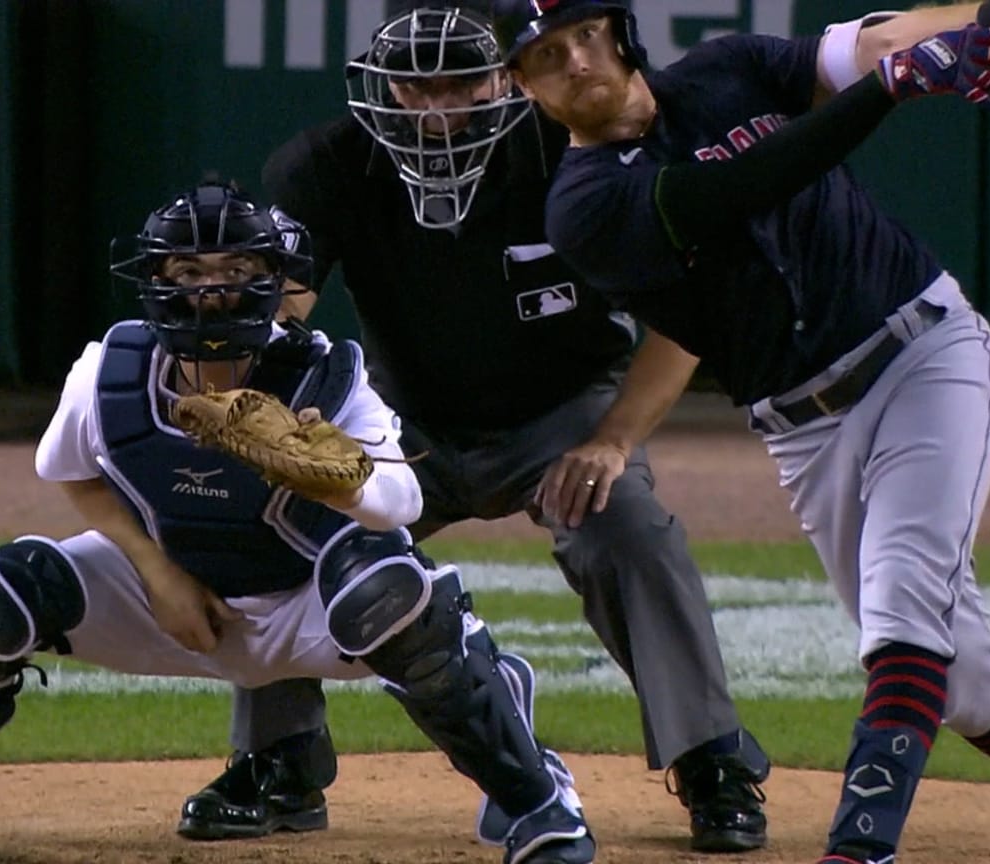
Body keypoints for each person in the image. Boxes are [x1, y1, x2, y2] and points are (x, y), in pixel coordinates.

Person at [0, 180, 596, 864]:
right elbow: (66, 472)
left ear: (274, 280)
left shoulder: (326, 372)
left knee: (391, 592)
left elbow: (402, 509)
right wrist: (159, 574)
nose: (211, 291)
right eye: (188, 272)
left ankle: (533, 792)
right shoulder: (109, 368)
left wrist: (331, 474)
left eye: (237, 271)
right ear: (155, 282)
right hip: (173, 602)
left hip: (302, 608)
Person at [175, 2, 772, 855]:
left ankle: (712, 759)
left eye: (461, 81)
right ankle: (280, 759)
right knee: (277, 522)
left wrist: (611, 440)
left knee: (628, 531)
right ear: (382, 89)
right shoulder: (328, 165)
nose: (437, 108)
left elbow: (685, 320)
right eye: (417, 86)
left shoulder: (575, 150)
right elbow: (288, 312)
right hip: (403, 418)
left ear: (510, 80)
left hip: (564, 410)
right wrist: (249, 369)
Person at [495, 0, 990, 861]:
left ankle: (857, 849)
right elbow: (737, 189)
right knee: (963, 685)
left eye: (585, 33)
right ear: (521, 86)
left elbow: (873, 43)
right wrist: (887, 93)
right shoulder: (583, 207)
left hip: (928, 355)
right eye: (545, 55)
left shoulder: (728, 69)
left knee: (904, 609)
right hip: (804, 430)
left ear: (620, 30)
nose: (575, 59)